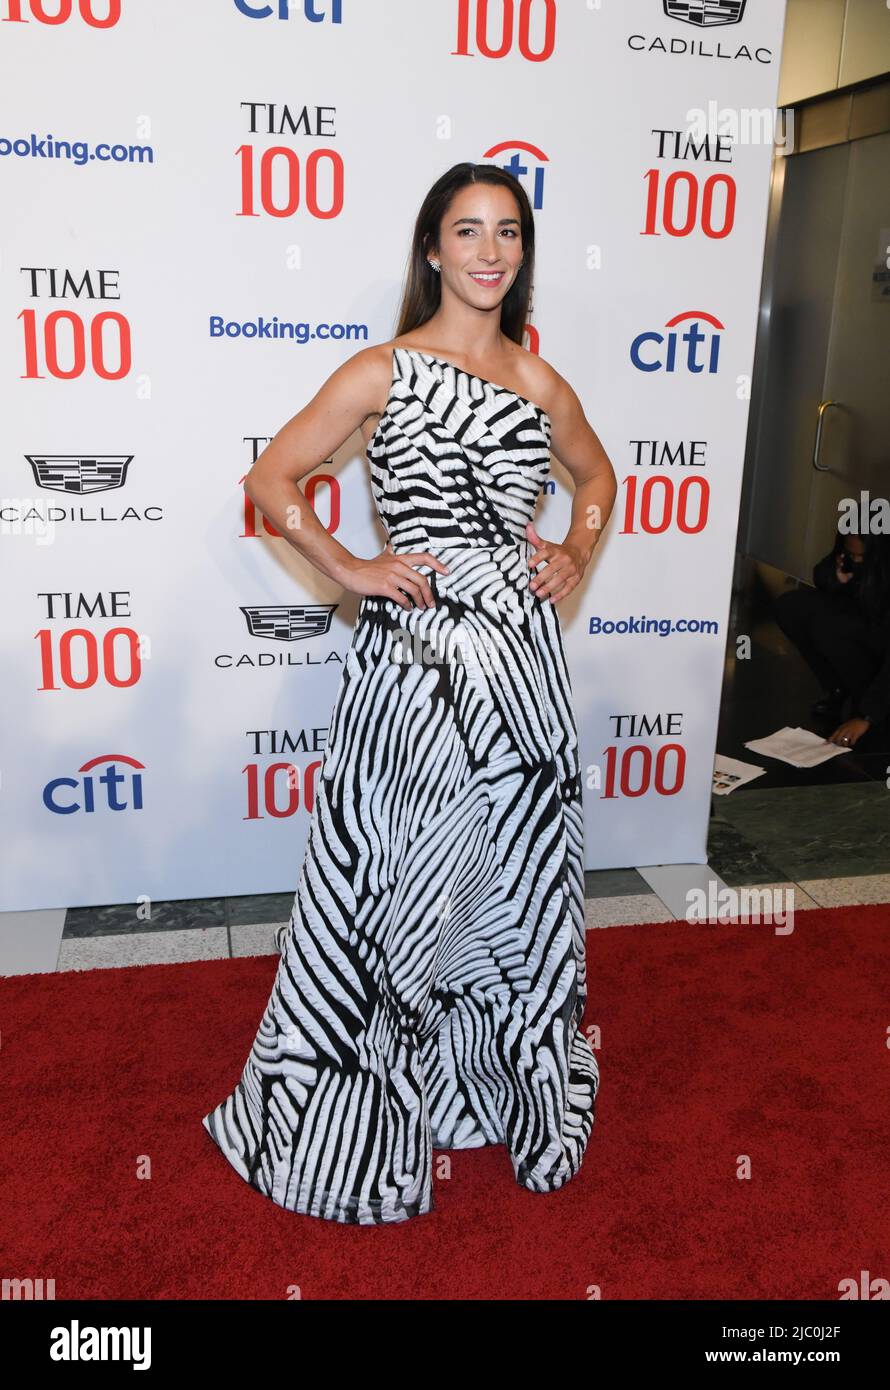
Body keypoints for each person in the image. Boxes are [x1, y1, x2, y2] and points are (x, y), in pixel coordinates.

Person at [202, 161, 617, 1224]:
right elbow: (270, 479)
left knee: (513, 884)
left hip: (520, 668)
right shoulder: (381, 370)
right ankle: (353, 1108)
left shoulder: (538, 383)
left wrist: (572, 548)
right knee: (391, 878)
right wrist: (348, 568)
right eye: (466, 231)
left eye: (507, 233)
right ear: (431, 249)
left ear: (522, 253)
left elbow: (598, 478)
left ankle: (488, 1081)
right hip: (413, 669)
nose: (488, 251)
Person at [775, 527, 890, 749]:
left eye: (861, 557)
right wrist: (837, 578)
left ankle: (867, 699)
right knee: (791, 606)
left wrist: (867, 717)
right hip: (870, 625)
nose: (854, 561)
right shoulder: (851, 552)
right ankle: (839, 688)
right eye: (850, 555)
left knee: (829, 625)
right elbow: (822, 574)